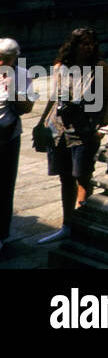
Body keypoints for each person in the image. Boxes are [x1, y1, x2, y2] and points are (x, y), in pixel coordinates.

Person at [36, 27, 108, 245]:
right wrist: (41, 123)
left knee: (82, 176)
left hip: (85, 129)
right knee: (65, 178)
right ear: (74, 45)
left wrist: (102, 126)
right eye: (83, 43)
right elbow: (53, 98)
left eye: (91, 43)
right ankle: (67, 223)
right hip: (59, 129)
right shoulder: (60, 66)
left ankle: (82, 223)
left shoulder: (99, 67)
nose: (87, 47)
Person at [0, 38, 34, 255]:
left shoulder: (22, 75)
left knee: (3, 185)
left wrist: (13, 92)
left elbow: (27, 107)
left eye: (5, 60)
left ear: (14, 58)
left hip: (7, 137)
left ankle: (1, 235)